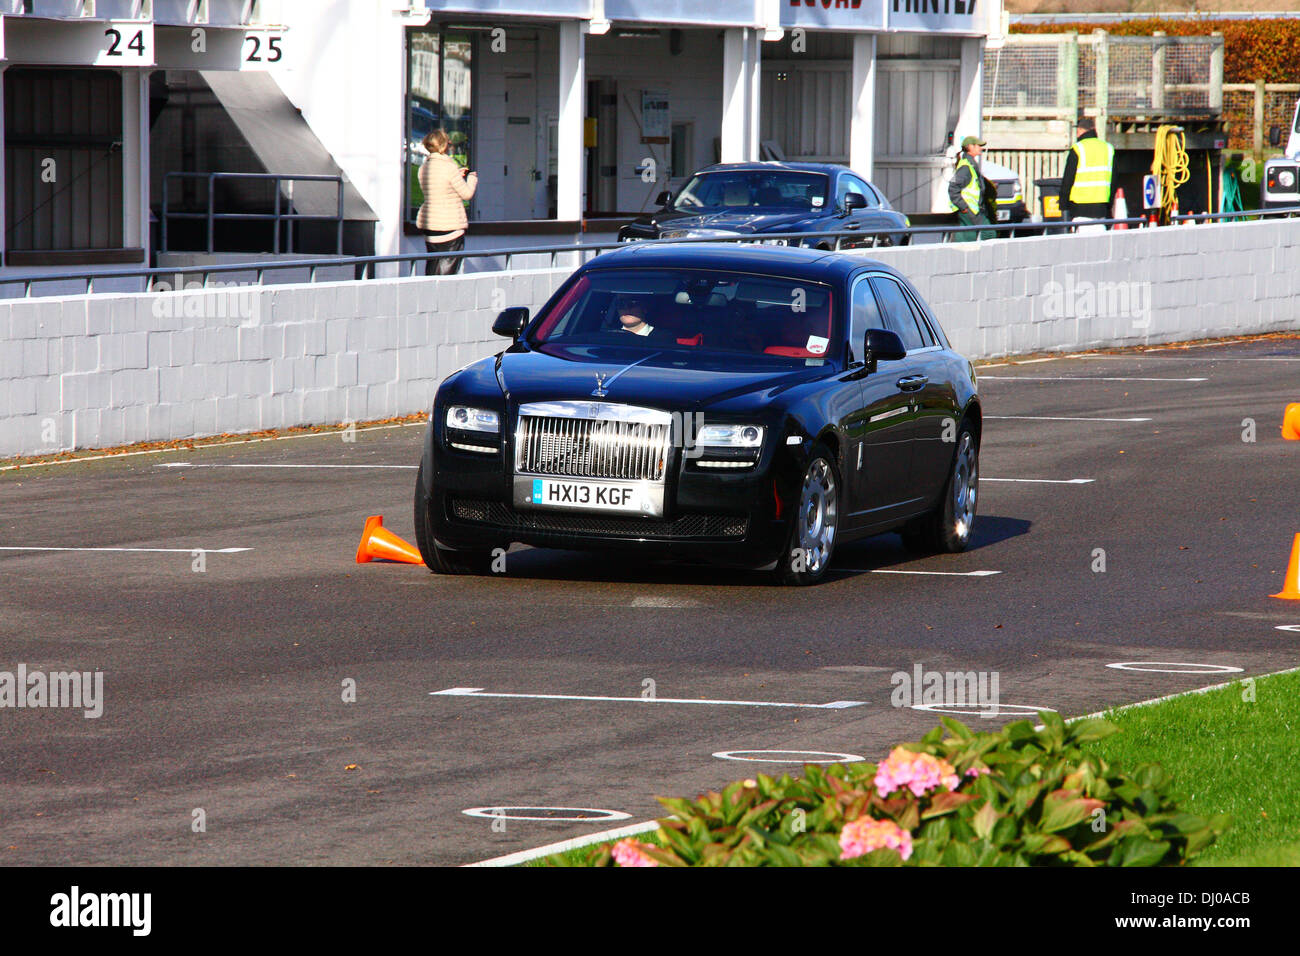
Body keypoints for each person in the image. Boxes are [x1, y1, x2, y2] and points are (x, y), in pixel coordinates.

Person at [416, 129, 477, 275]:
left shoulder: (423, 168)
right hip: (450, 225)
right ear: (444, 146)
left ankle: (430, 293)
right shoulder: (449, 168)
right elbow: (467, 194)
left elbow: (439, 187)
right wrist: (471, 179)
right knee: (447, 271)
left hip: (430, 224)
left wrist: (457, 174)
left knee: (432, 266)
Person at [1059, 120, 1114, 235]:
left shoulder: (1078, 148)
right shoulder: (1108, 148)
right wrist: (1108, 206)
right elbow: (1114, 180)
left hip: (1080, 208)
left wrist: (1063, 206)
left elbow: (1068, 179)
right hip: (1101, 207)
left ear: (1079, 130)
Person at [948, 136, 996, 242]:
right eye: (978, 146)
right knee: (988, 234)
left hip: (973, 209)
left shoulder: (970, 164)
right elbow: (953, 188)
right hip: (970, 209)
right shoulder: (966, 167)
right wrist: (963, 207)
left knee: (969, 234)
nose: (981, 148)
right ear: (970, 147)